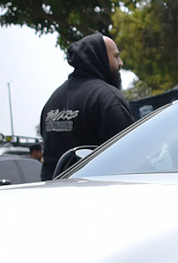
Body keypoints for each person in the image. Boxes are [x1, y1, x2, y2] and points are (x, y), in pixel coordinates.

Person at [39, 32, 136, 180]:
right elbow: (130, 156)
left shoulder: (53, 100)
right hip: (95, 194)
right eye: (116, 56)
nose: (121, 62)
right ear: (101, 58)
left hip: (53, 193)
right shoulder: (108, 98)